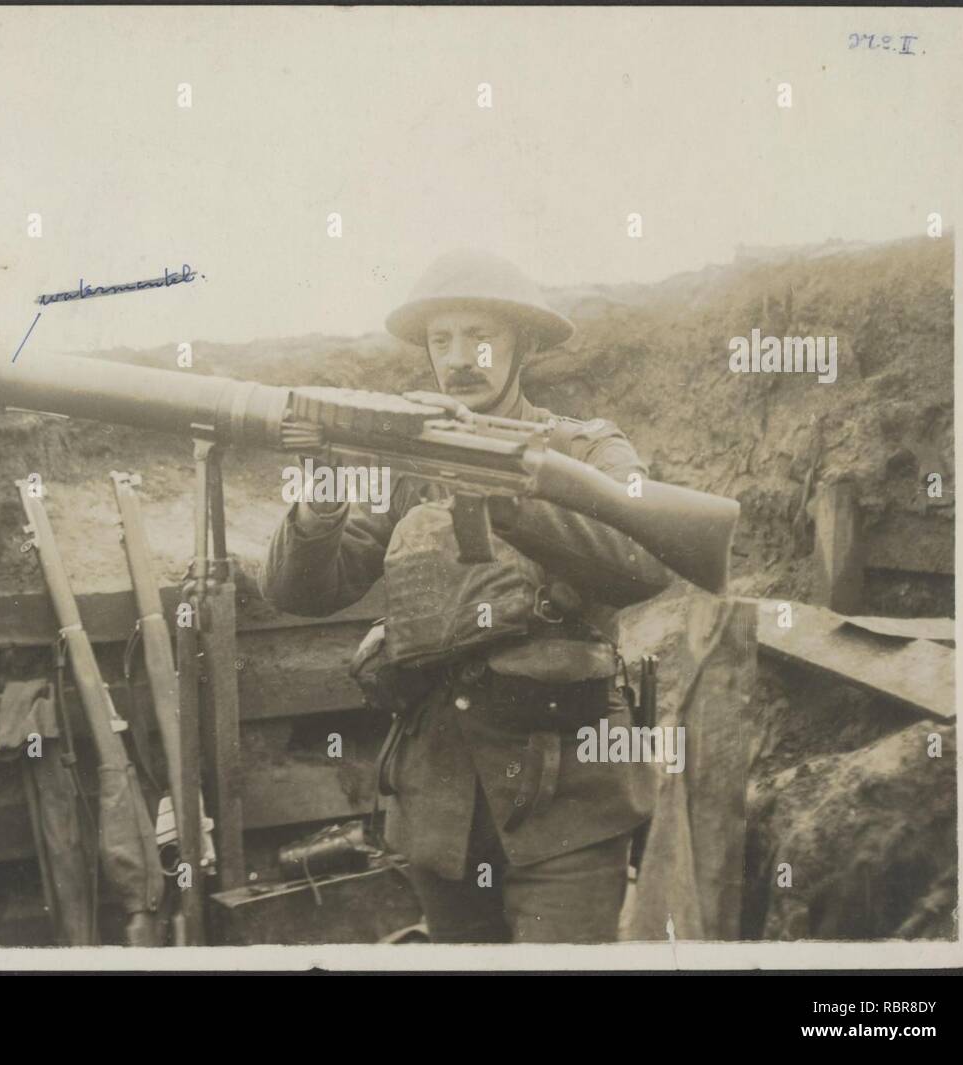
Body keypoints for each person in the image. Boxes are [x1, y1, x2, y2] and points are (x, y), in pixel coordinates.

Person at [260, 249, 675, 943]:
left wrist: (508, 495)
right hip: (440, 804)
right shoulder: (406, 459)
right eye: (441, 339)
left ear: (525, 344)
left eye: (480, 335)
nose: (460, 357)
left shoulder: (587, 449)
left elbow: (645, 557)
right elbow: (304, 592)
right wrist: (320, 502)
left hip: (569, 799)